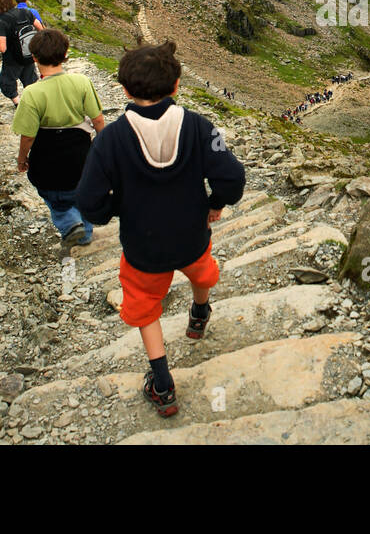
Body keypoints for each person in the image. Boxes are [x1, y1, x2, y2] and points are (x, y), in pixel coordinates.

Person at [75, 42, 245, 417]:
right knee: (202, 270)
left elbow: (88, 201)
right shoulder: (200, 126)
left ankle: (163, 384)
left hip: (143, 245)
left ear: (124, 90)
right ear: (177, 85)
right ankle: (199, 312)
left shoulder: (109, 139)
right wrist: (215, 203)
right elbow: (232, 176)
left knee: (144, 304)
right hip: (191, 234)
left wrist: (114, 210)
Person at [11, 29, 105, 248]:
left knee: (54, 196)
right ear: (65, 54)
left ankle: (70, 223)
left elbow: (27, 136)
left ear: (34, 57)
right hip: (80, 153)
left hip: (46, 156)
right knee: (82, 190)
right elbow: (98, 120)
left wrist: (22, 159)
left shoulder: (32, 93)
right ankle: (84, 231)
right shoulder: (81, 82)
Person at [0, 0, 42, 105]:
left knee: (6, 82)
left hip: (12, 59)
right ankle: (36, 103)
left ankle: (18, 103)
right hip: (28, 54)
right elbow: (41, 29)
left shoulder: (0, 21)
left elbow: (2, 48)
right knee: (31, 81)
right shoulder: (25, 12)